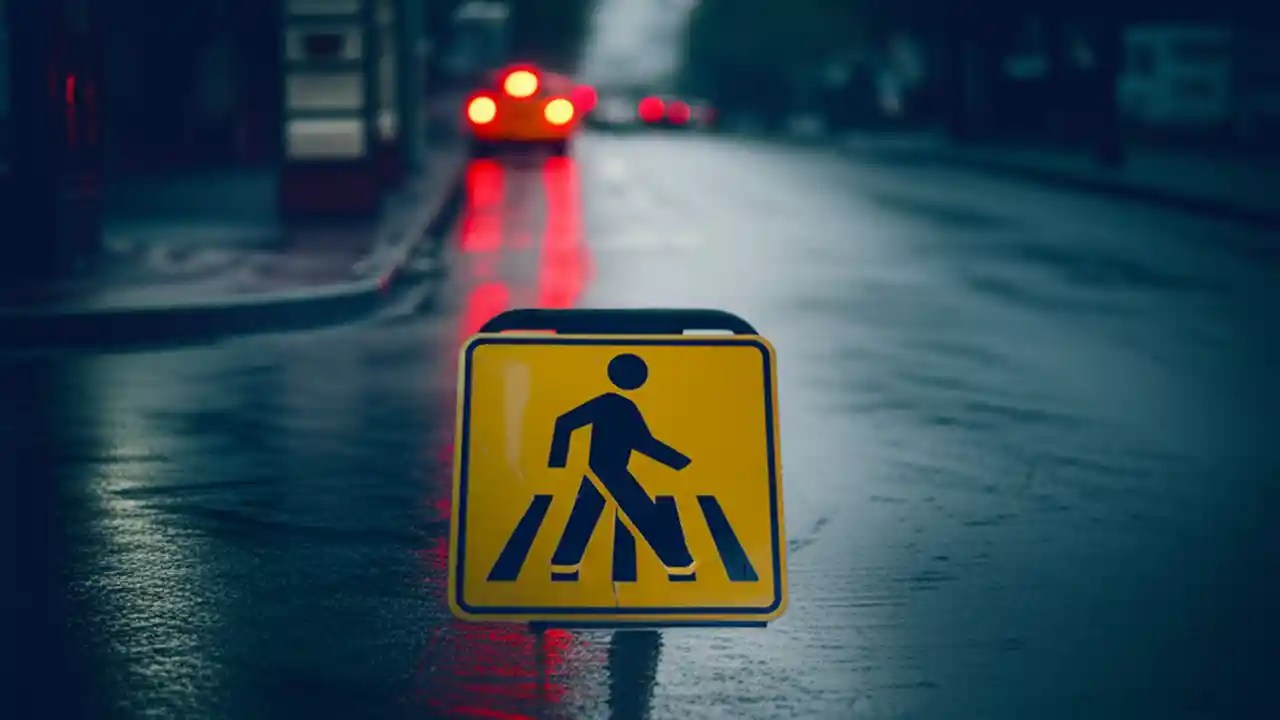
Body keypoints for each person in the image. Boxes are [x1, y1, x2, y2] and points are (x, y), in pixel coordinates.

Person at [547, 353, 696, 581]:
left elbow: (642, 442)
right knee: (644, 514)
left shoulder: (620, 405)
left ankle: (562, 566)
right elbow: (564, 423)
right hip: (607, 472)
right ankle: (679, 564)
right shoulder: (613, 403)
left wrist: (679, 462)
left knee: (585, 515)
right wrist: (557, 462)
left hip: (607, 470)